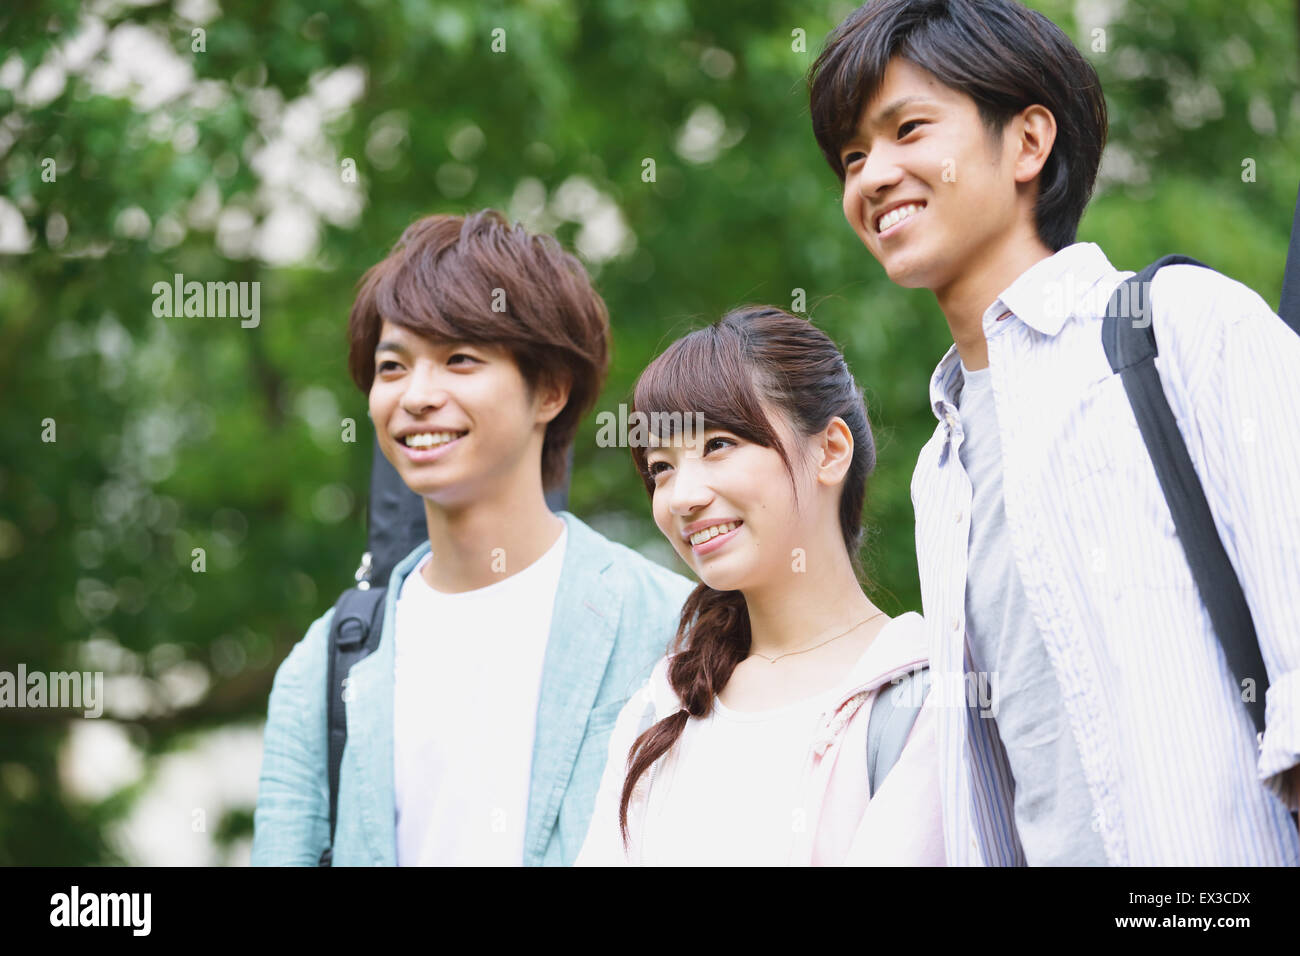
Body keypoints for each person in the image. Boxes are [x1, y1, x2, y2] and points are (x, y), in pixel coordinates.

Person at [808, 0, 1300, 865]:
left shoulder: (1185, 330)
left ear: (1029, 143)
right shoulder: (941, 466)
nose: (872, 177)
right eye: (852, 156)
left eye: (908, 129)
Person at [251, 210, 693, 866]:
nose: (418, 396)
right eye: (393, 367)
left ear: (549, 389)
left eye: (459, 360)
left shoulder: (673, 627)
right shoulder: (329, 662)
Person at [576, 306, 943, 865]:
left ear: (830, 450)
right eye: (660, 468)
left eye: (717, 445)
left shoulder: (920, 702)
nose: (682, 497)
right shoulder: (657, 712)